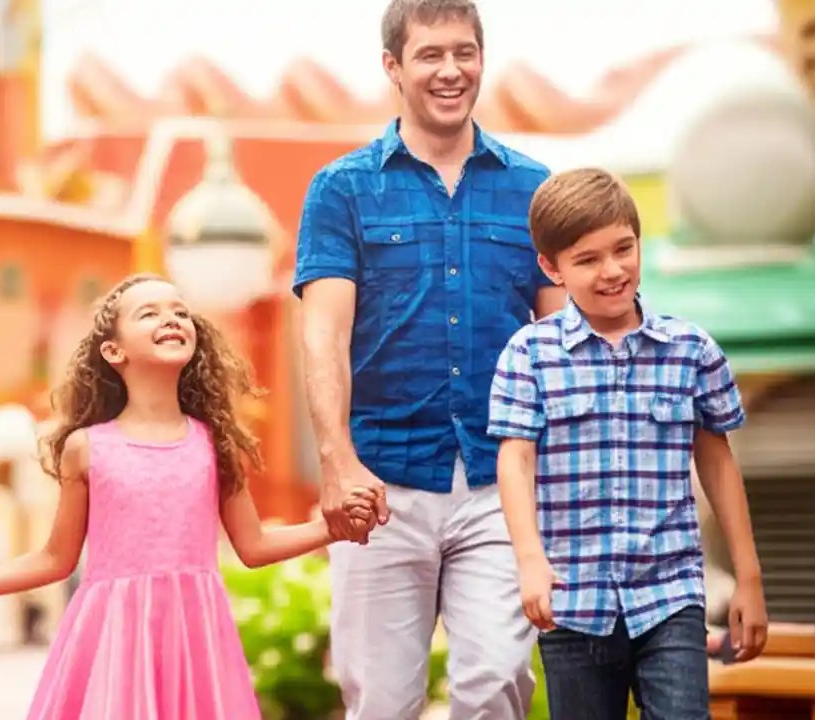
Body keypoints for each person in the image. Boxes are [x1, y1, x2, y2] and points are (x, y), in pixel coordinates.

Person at [293, 0, 565, 717]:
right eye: (430, 55)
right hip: (380, 485)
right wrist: (335, 460)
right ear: (393, 66)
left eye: (464, 52)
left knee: (497, 684)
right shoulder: (341, 190)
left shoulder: (535, 188)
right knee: (381, 700)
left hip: (501, 479)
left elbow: (563, 343)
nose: (451, 70)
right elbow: (322, 336)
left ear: (482, 56)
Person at [0, 274, 375, 719]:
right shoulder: (86, 448)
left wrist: (332, 528)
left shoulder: (214, 444)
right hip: (114, 638)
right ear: (114, 351)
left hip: (195, 639)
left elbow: (254, 545)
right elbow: (56, 558)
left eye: (180, 312)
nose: (171, 319)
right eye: (149, 313)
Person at [489, 167, 769, 720]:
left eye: (623, 249)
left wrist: (748, 578)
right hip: (574, 602)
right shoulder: (529, 355)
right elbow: (515, 460)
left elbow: (717, 460)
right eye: (587, 259)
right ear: (551, 267)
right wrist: (530, 562)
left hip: (669, 595)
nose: (612, 270)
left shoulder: (690, 349)